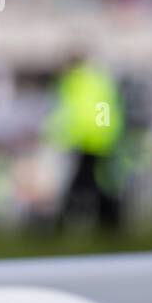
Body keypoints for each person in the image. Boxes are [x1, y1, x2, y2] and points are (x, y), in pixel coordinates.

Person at [46, 51, 125, 230]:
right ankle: (109, 220)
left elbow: (70, 112)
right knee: (97, 181)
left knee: (86, 181)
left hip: (88, 139)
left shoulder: (73, 82)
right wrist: (104, 132)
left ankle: (69, 220)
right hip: (98, 138)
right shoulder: (97, 79)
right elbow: (104, 107)